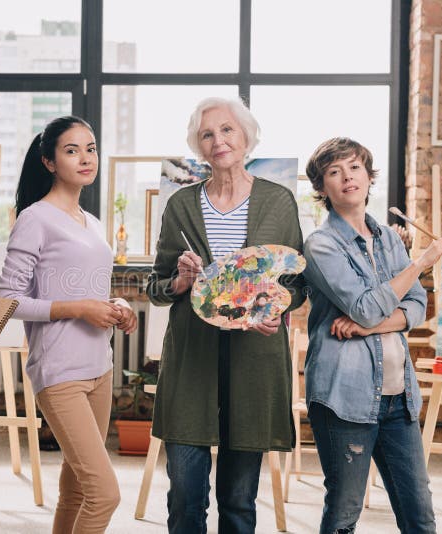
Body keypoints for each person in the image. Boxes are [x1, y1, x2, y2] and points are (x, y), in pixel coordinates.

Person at [146, 97, 305, 533]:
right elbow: (156, 285)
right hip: (191, 359)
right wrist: (178, 282)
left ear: (246, 135)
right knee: (184, 494)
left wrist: (276, 310)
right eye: (207, 134)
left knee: (238, 500)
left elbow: (295, 281)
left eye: (228, 130)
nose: (219, 140)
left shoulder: (279, 201)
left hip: (254, 358)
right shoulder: (180, 204)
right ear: (199, 145)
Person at [302, 137, 442, 534]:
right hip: (343, 398)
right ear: (323, 188)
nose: (347, 177)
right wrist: (421, 261)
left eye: (354, 168)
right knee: (343, 513)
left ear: (369, 178)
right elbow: (368, 305)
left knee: (419, 514)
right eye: (333, 172)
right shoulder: (321, 245)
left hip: (398, 398)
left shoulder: (389, 239)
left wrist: (367, 326)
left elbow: (418, 306)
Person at [0, 116, 137, 534]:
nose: (85, 157)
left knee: (76, 490)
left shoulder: (92, 222)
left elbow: (89, 287)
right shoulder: (35, 218)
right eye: (71, 150)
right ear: (49, 162)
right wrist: (78, 309)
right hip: (60, 374)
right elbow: (7, 301)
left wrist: (118, 304)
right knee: (105, 493)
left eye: (90, 148)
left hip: (100, 367)